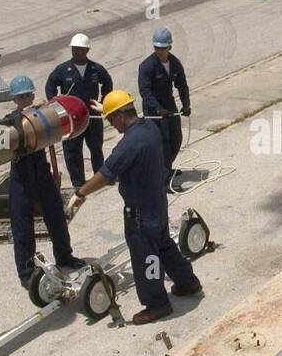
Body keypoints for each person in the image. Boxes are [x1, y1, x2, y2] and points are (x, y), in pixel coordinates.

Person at [68, 91, 201, 324]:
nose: (111, 125)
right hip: (157, 203)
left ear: (121, 116)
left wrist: (80, 193)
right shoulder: (149, 128)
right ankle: (188, 283)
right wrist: (108, 107)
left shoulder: (129, 144)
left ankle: (157, 305)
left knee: (146, 257)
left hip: (140, 212)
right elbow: (121, 109)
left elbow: (104, 175)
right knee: (165, 246)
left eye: (111, 120)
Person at [4, 75, 86, 288]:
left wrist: (42, 109)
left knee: (56, 216)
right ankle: (27, 273)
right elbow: (2, 141)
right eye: (22, 97)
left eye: (29, 95)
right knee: (22, 225)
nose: (26, 99)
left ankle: (65, 257)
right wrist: (26, 115)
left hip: (41, 171)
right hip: (21, 175)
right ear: (15, 99)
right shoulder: (10, 120)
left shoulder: (41, 113)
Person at [45, 33, 113, 186]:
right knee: (72, 151)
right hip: (72, 119)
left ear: (87, 50)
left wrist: (103, 102)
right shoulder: (62, 70)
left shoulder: (96, 69)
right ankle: (78, 182)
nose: (78, 52)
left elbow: (107, 82)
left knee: (96, 148)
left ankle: (100, 178)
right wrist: (55, 105)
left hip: (92, 116)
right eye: (75, 49)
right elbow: (50, 86)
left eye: (81, 49)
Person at [138, 27, 190, 184]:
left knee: (176, 138)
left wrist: (186, 104)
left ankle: (166, 167)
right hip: (154, 110)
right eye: (157, 48)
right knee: (163, 143)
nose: (159, 51)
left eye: (163, 48)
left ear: (169, 47)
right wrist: (157, 109)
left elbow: (182, 85)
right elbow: (145, 92)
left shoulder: (174, 63)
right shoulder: (147, 66)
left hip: (169, 104)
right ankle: (163, 178)